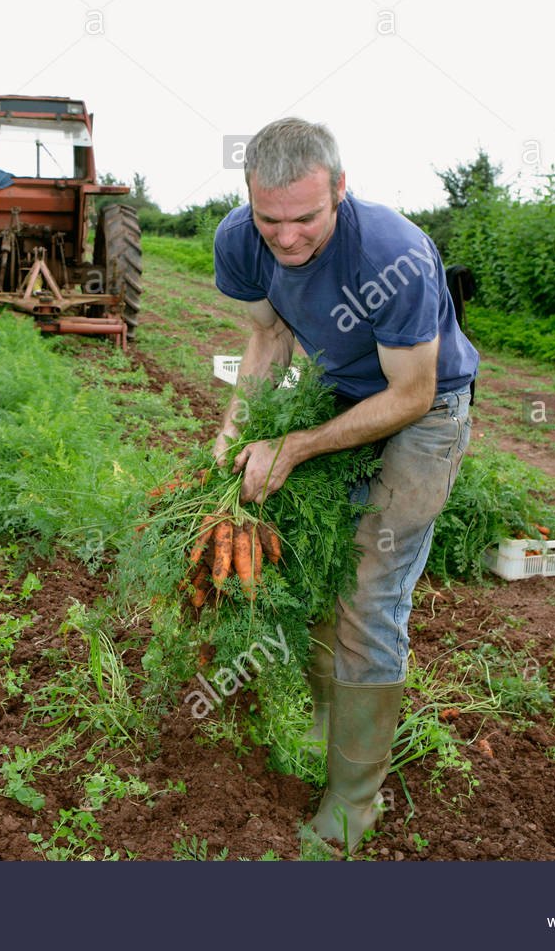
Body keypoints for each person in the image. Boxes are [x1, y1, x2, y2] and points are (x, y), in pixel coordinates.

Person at [211, 117, 479, 853]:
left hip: (422, 410)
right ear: (249, 199)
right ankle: (338, 730)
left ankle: (355, 805)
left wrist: (295, 446)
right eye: (272, 220)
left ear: (340, 190)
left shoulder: (391, 253)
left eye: (306, 219)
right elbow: (268, 341)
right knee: (322, 567)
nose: (288, 238)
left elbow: (411, 393)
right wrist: (230, 445)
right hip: (338, 397)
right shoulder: (240, 241)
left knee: (368, 592)